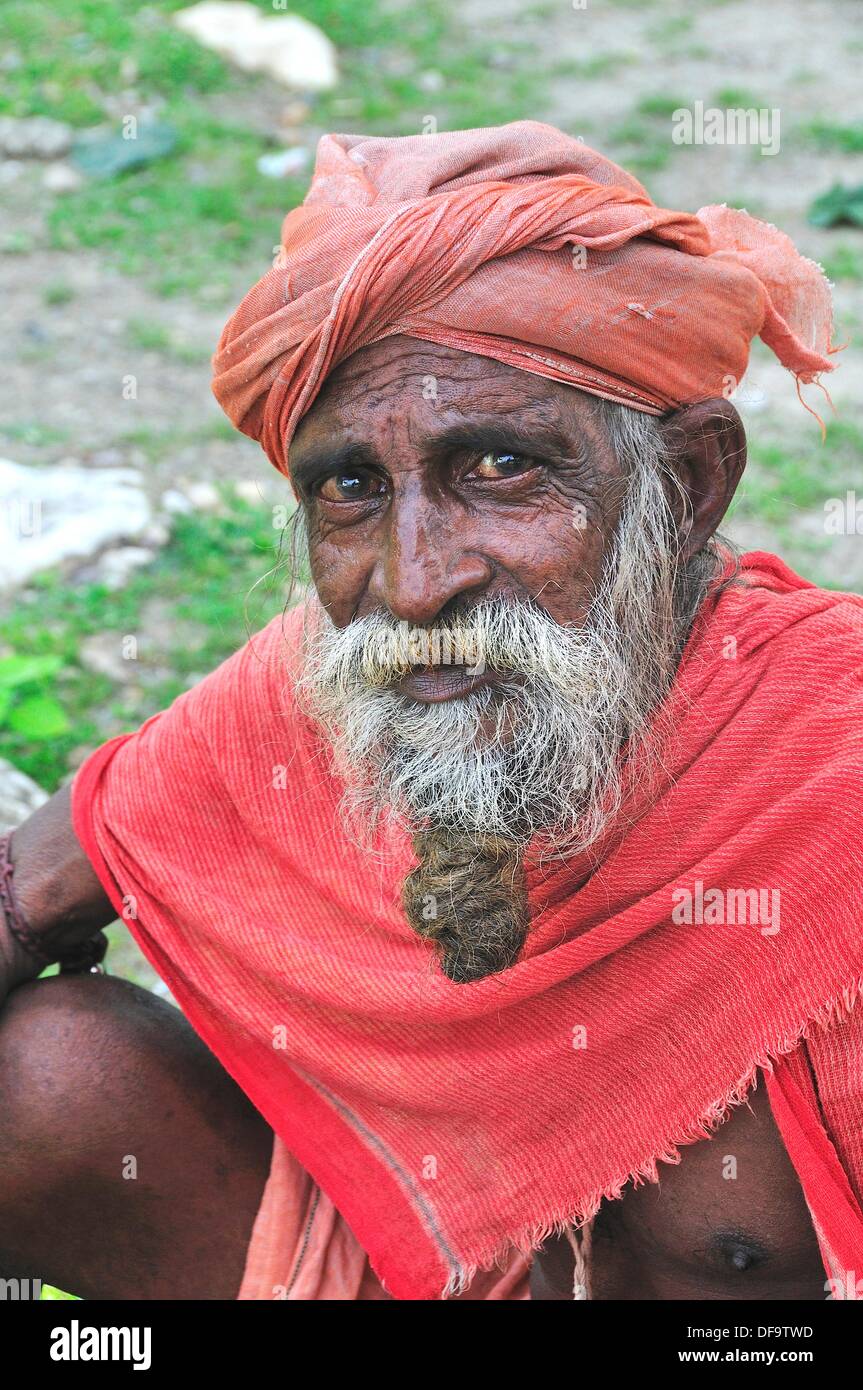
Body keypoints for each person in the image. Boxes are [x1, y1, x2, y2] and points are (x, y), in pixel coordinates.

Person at [1, 122, 861, 1302]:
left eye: (499, 467)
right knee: (43, 1077)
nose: (414, 581)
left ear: (692, 480)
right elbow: (28, 893)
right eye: (351, 488)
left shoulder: (836, 756)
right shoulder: (344, 677)